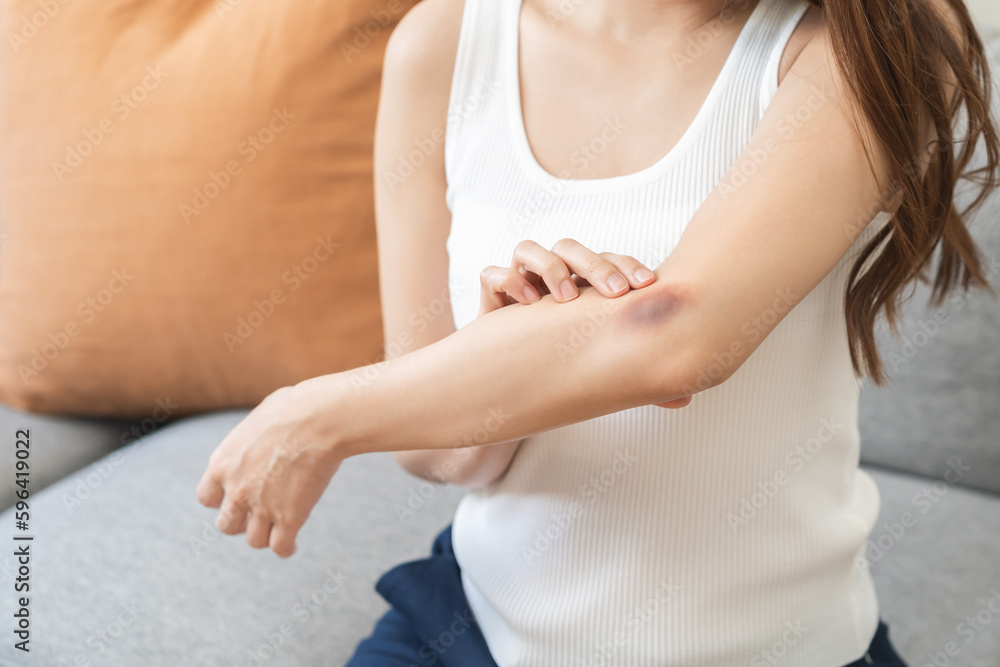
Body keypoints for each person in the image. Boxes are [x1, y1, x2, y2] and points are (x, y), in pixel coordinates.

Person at [195, 0, 999, 664]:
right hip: (473, 630)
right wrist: (508, 346)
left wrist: (315, 413)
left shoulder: (879, 37)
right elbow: (438, 454)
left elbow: (682, 340)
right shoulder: (443, 42)